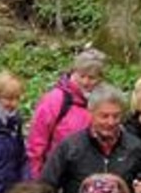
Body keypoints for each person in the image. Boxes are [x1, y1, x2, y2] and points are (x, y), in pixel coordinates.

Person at [39, 83, 141, 193]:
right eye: (104, 116)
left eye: (116, 116)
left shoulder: (134, 146)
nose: (111, 122)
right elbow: (46, 187)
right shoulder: (70, 147)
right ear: (91, 113)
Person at [26, 49, 108, 179]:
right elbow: (36, 144)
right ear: (73, 72)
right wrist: (35, 179)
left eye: (91, 78)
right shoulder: (55, 100)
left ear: (100, 79)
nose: (85, 82)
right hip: (56, 173)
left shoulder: (104, 101)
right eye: (81, 76)